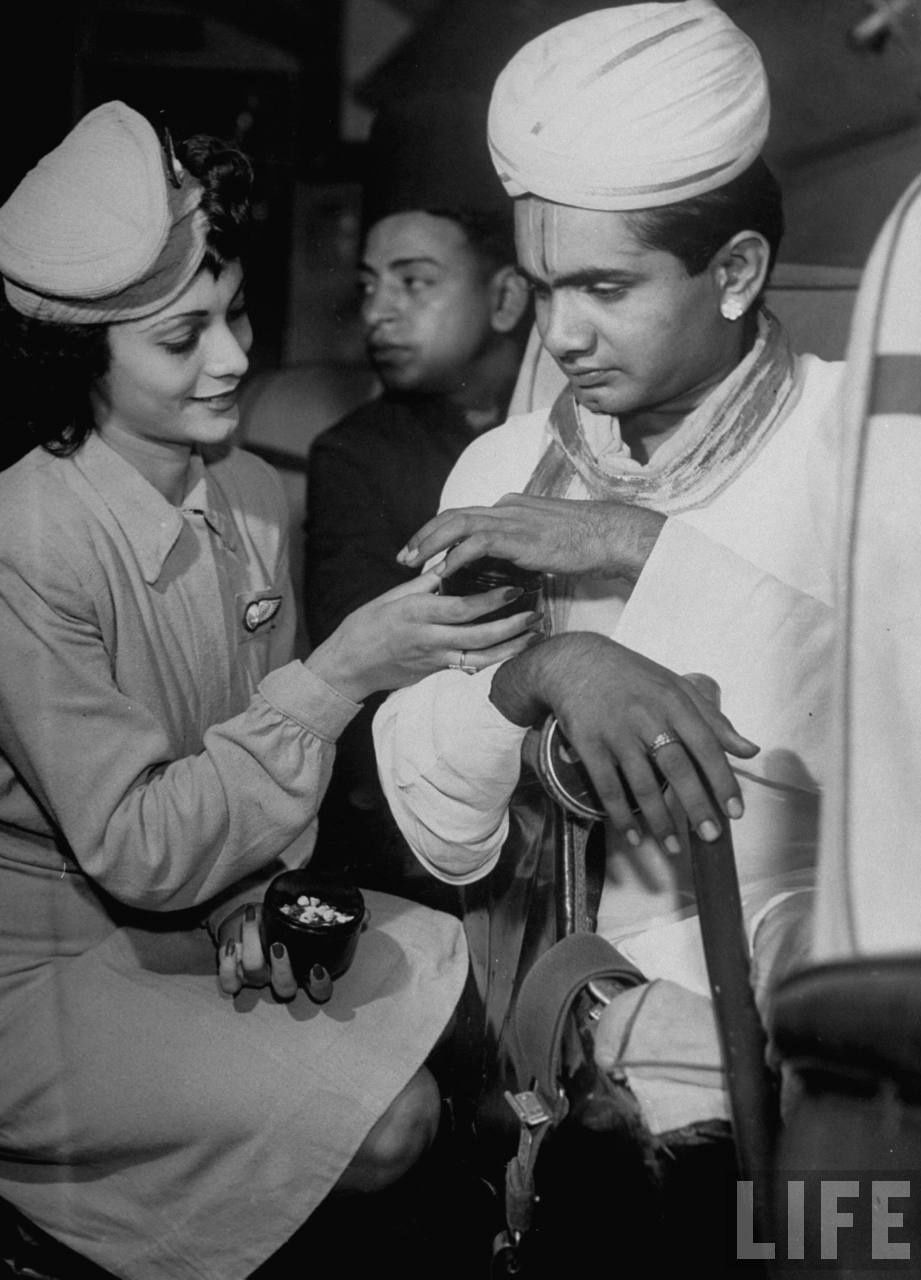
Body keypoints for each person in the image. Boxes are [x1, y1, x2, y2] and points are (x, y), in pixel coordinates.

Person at [0, 101, 542, 1280]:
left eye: (234, 313)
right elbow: (138, 842)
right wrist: (344, 666)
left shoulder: (249, 487)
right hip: (41, 977)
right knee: (394, 1123)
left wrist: (257, 896)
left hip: (197, 917)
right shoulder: (24, 537)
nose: (236, 356)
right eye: (182, 337)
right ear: (80, 358)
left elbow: (257, 779)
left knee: (475, 993)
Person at [373, 1, 847, 1156]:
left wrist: (637, 548)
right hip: (559, 1003)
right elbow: (429, 819)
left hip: (822, 994)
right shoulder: (501, 467)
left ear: (733, 269)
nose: (564, 334)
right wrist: (541, 667)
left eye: (604, 287)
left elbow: (899, 721)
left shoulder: (856, 444)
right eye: (543, 290)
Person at [303, 91, 531, 899]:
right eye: (370, 286)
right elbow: (368, 648)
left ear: (506, 297)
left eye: (414, 282)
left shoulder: (560, 427)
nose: (379, 312)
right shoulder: (354, 454)